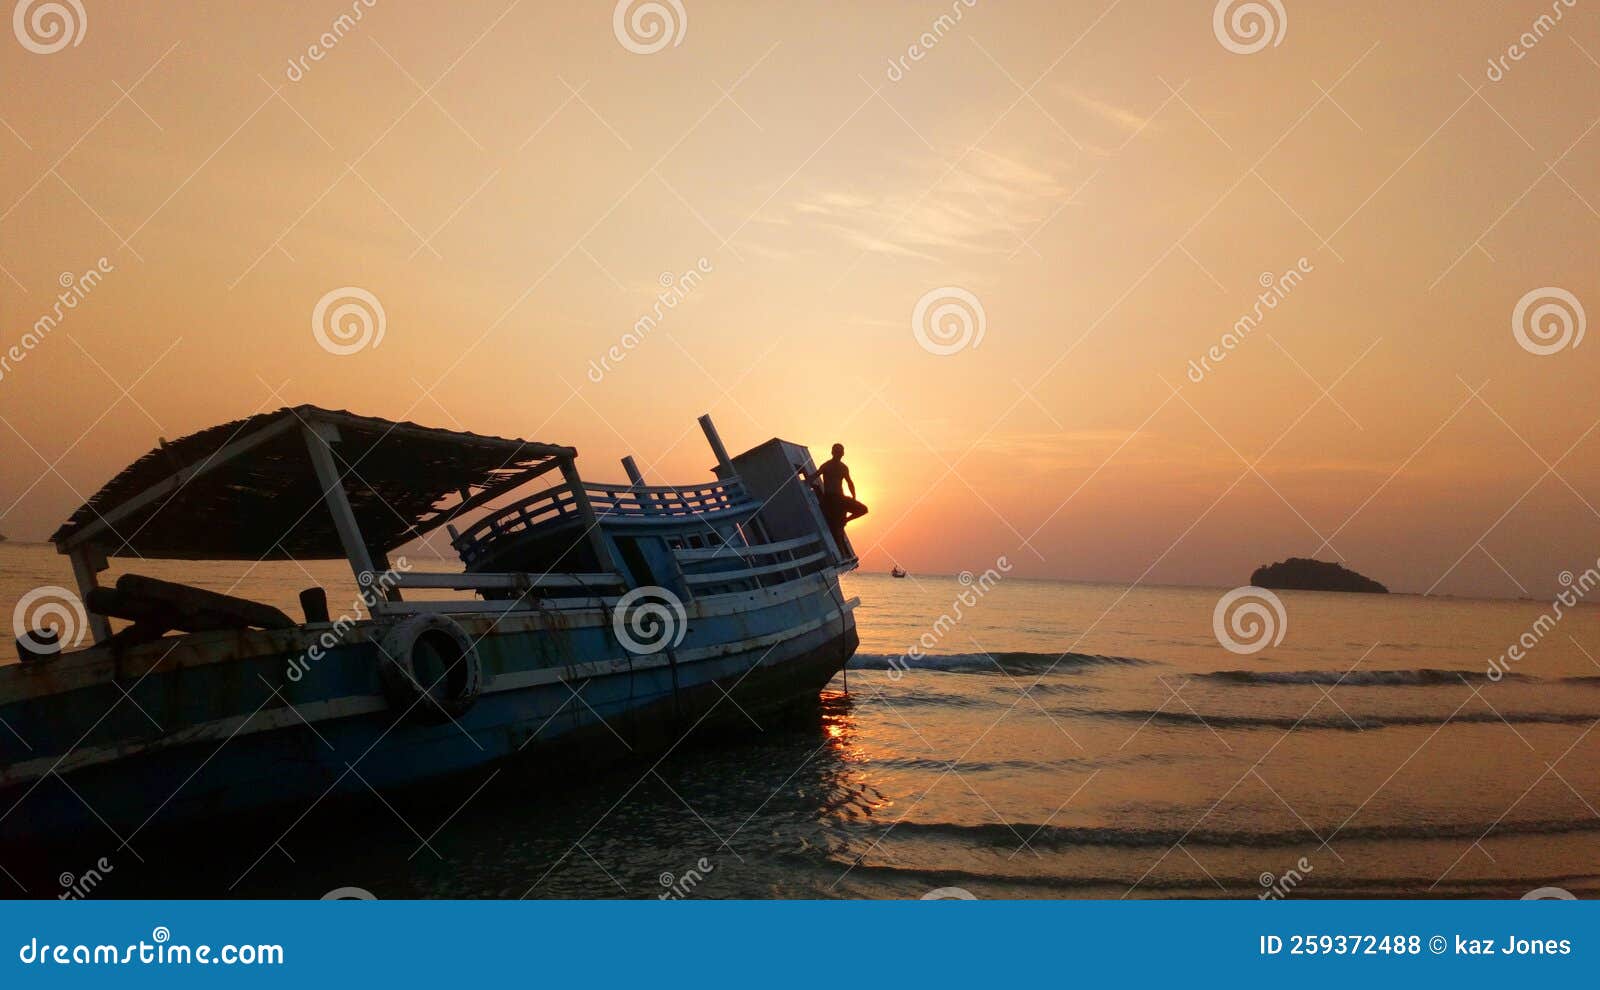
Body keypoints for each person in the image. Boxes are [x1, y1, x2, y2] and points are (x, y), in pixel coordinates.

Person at [812, 443, 866, 553]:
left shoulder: (843, 467)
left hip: (841, 498)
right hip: (830, 498)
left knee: (863, 509)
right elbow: (815, 475)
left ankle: (845, 520)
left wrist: (854, 498)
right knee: (837, 527)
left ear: (842, 454)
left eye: (840, 451)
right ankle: (841, 549)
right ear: (832, 453)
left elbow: (850, 483)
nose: (838, 454)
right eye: (836, 451)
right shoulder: (826, 465)